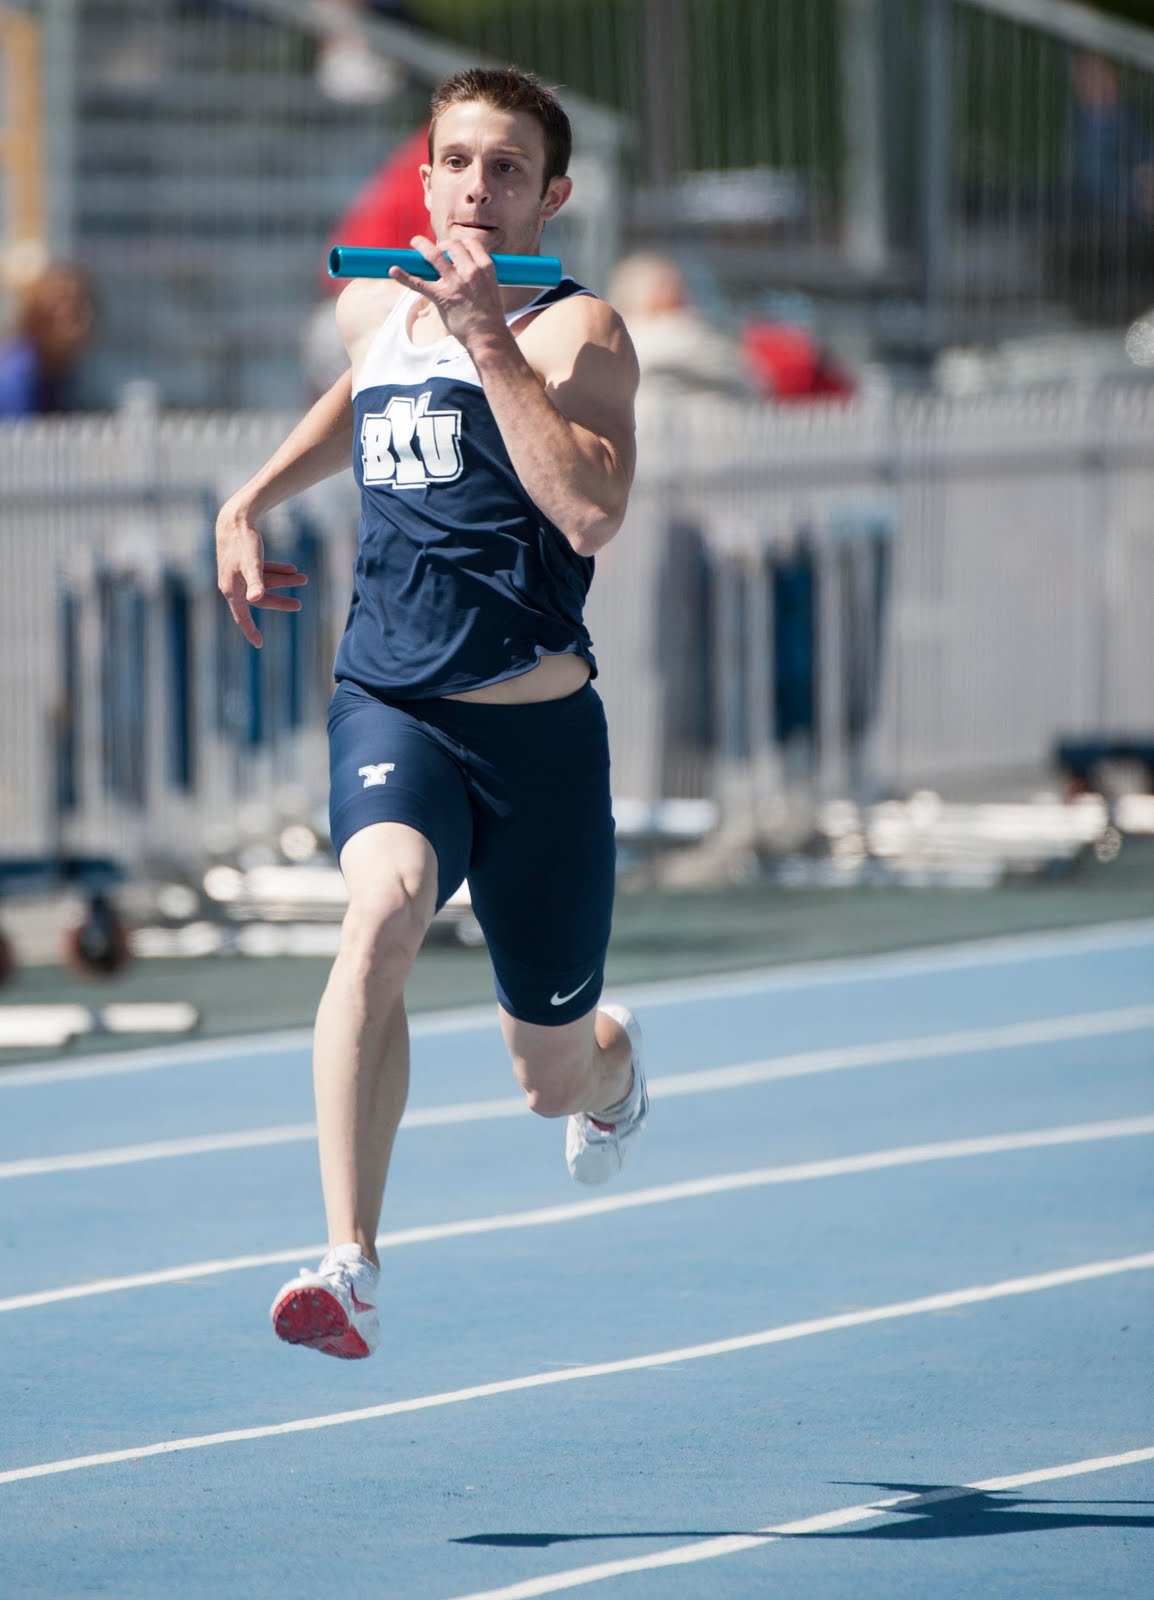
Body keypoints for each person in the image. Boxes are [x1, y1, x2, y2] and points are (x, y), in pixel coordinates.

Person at [216, 66, 646, 1361]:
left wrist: (486, 338)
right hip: (392, 704)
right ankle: (347, 1261)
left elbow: (587, 514)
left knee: (546, 1079)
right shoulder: (373, 309)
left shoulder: (581, 336)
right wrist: (247, 503)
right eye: (455, 161)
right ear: (424, 177)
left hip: (538, 739)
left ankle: (612, 1066)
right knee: (382, 911)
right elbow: (354, 403)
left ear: (550, 194)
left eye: (505, 167)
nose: (475, 187)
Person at [0, 264, 95, 418]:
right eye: (69, 306)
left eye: (83, 304)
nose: (83, 317)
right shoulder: (14, 374)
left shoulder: (64, 372)